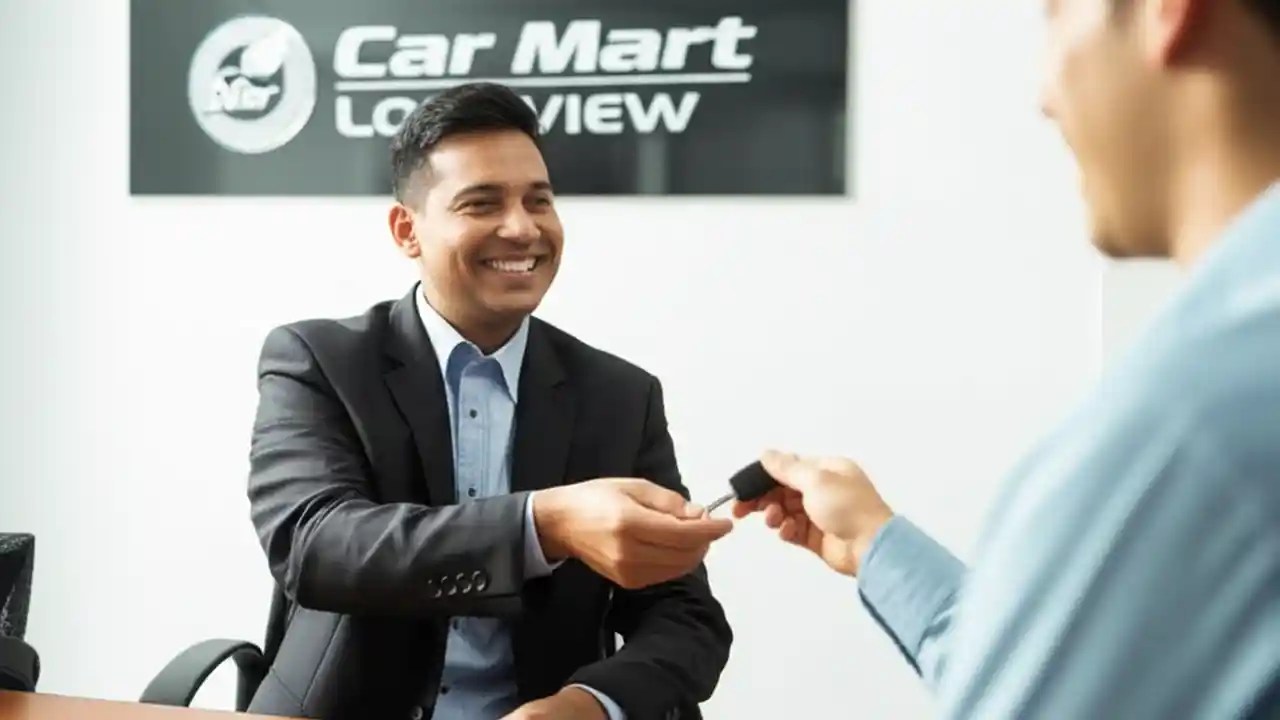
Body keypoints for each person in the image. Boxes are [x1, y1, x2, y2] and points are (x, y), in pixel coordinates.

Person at [735, 0, 1280, 717]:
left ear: (1166, 12)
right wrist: (874, 543)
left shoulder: (1190, 425)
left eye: (1056, 15)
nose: (1045, 97)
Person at [245, 82, 734, 720]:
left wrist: (590, 703)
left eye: (539, 200)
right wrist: (544, 524)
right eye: (482, 203)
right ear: (407, 230)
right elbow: (316, 547)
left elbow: (685, 617)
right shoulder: (321, 361)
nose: (523, 228)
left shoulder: (620, 396)